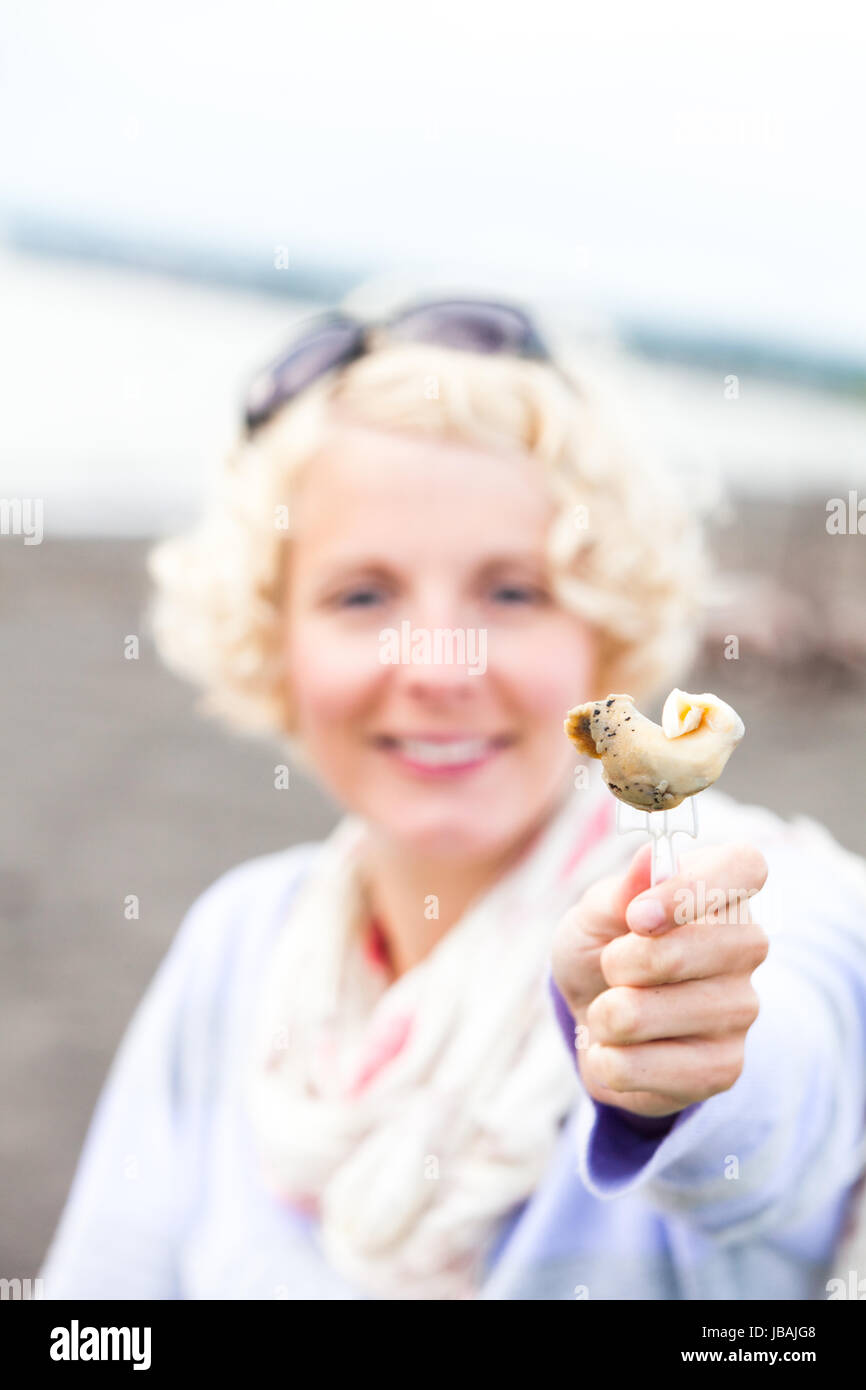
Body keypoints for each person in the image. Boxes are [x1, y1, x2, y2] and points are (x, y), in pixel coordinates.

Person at [39, 290, 866, 1300]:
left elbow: (790, 1080)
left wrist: (677, 1071)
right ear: (271, 635)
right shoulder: (234, 946)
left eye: (511, 592)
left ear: (602, 631)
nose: (438, 664)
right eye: (363, 594)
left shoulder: (766, 903)